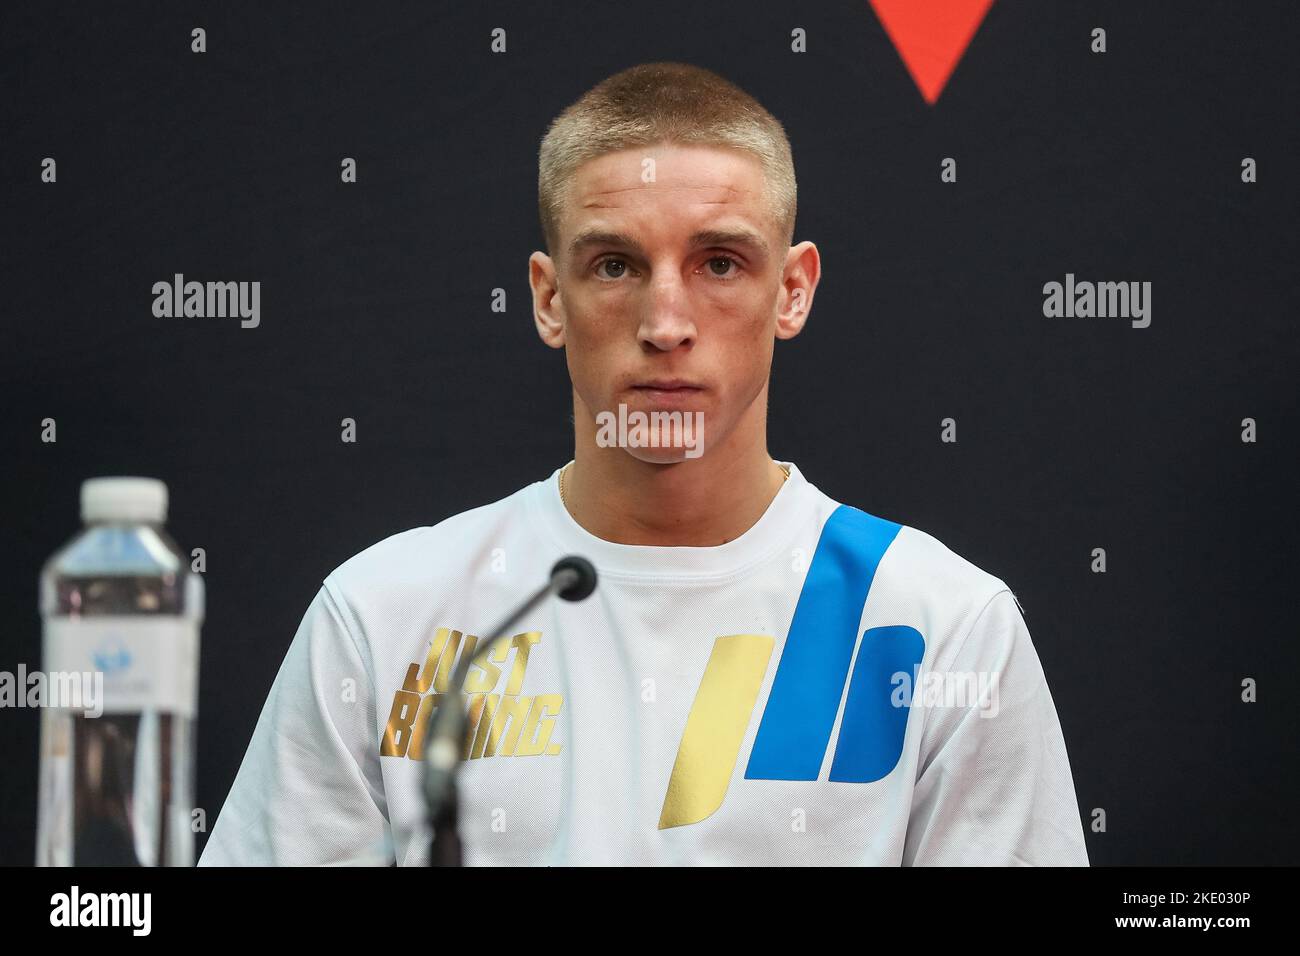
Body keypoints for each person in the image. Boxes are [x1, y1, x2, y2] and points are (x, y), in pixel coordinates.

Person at [199, 61, 1089, 866]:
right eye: (618, 264)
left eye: (720, 263)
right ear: (550, 298)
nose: (667, 323)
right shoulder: (381, 615)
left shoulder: (943, 626)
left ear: (793, 290)